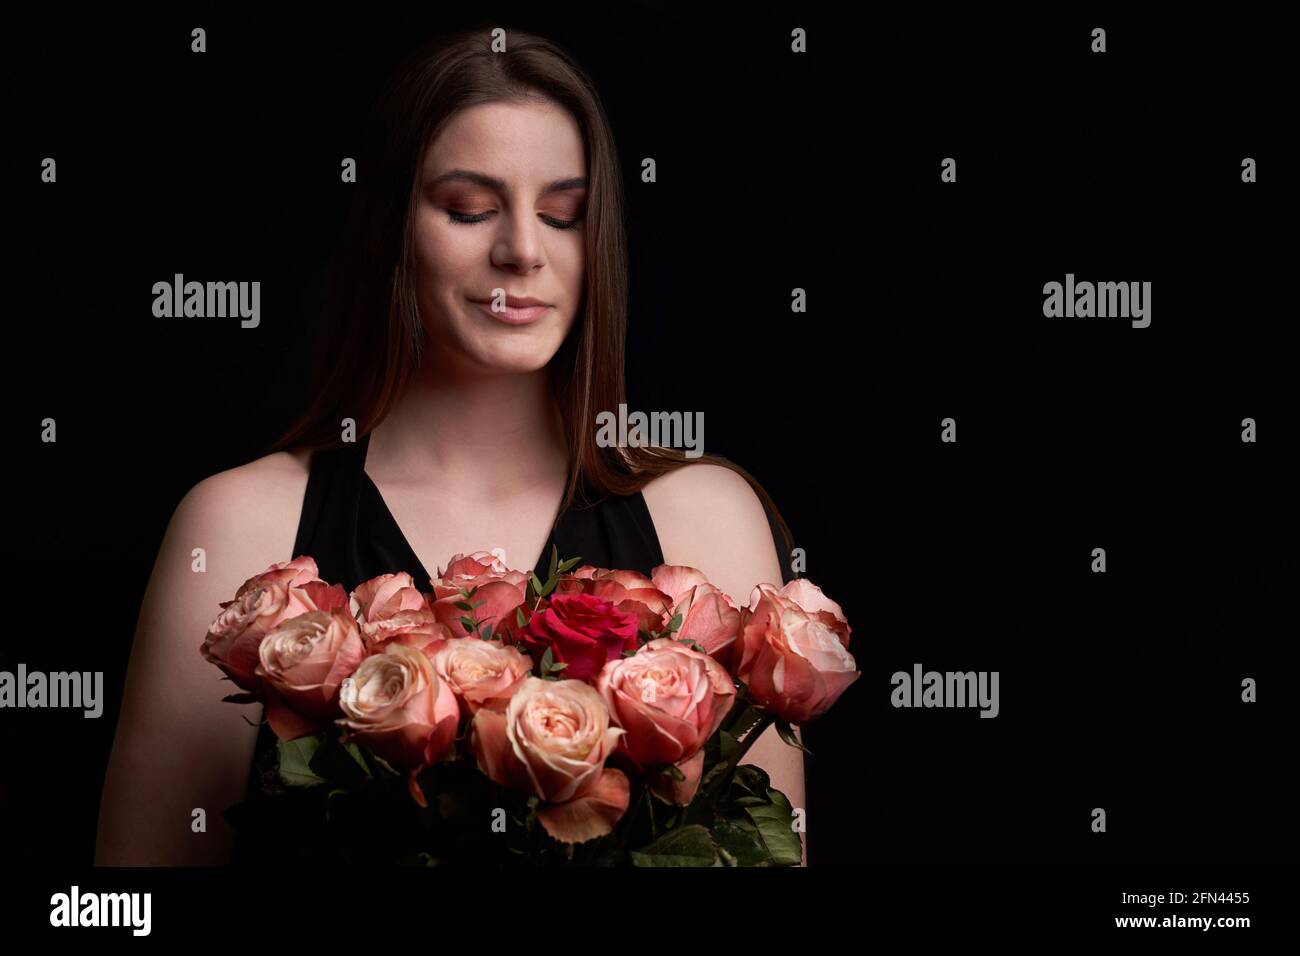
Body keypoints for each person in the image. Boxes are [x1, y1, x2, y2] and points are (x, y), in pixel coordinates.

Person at [95, 28, 804, 866]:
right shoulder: (240, 523)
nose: (523, 251)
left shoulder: (705, 520)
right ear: (392, 226)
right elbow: (129, 895)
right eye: (469, 209)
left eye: (563, 216)